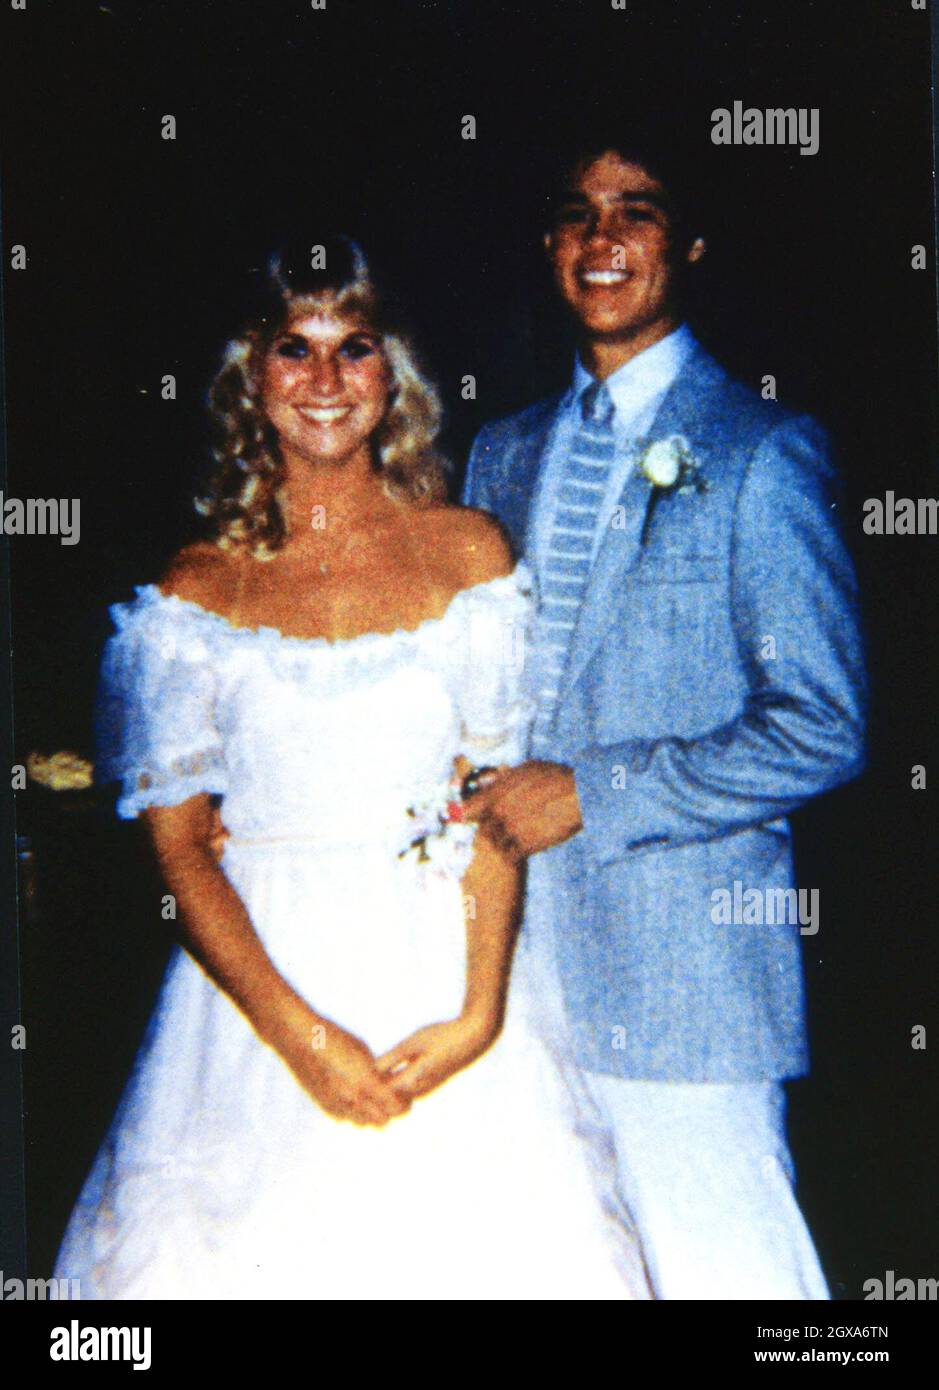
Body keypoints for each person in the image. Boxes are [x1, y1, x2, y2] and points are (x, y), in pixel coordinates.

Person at [54, 238, 649, 1300]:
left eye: (355, 347)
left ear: (394, 374)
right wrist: (303, 1038)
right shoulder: (195, 589)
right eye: (295, 348)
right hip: (259, 1002)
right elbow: (184, 849)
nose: (325, 381)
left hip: (447, 980)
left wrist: (478, 1015)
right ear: (253, 377)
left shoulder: (470, 553)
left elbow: (494, 806)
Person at [461, 126, 867, 1300]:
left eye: (635, 211)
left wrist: (596, 793)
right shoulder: (503, 452)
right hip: (513, 980)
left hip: (688, 988)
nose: (602, 239)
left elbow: (825, 723)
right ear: (549, 246)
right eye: (579, 214)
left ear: (686, 246)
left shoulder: (762, 451)